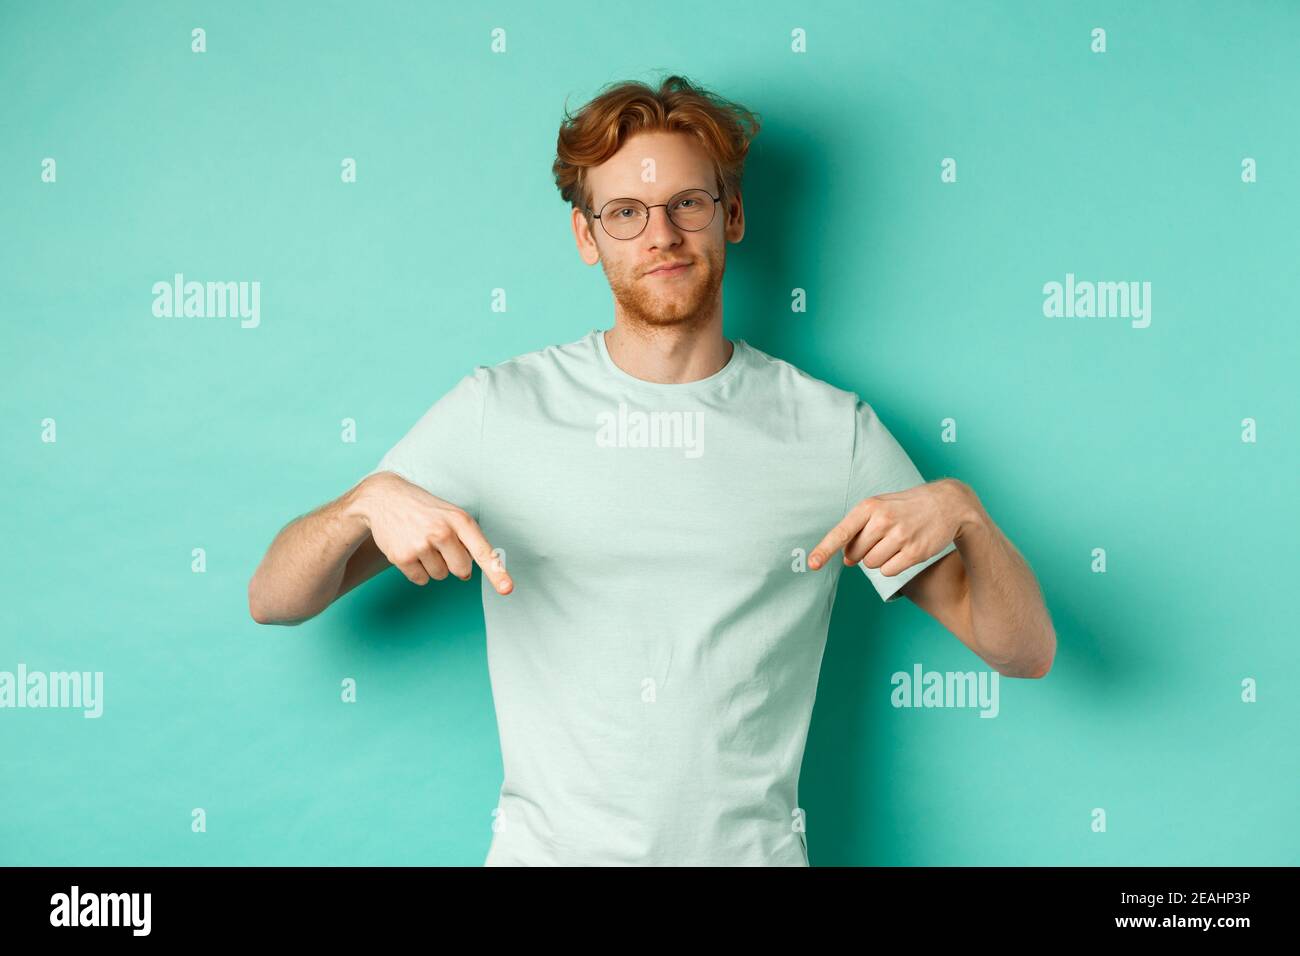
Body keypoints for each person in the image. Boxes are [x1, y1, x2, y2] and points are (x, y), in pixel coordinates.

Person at [247, 74, 1056, 866]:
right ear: (586, 236)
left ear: (731, 215)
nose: (660, 235)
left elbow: (1022, 651)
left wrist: (966, 512)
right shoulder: (498, 409)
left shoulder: (832, 432)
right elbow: (275, 598)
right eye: (625, 212)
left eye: (686, 204)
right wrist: (365, 502)